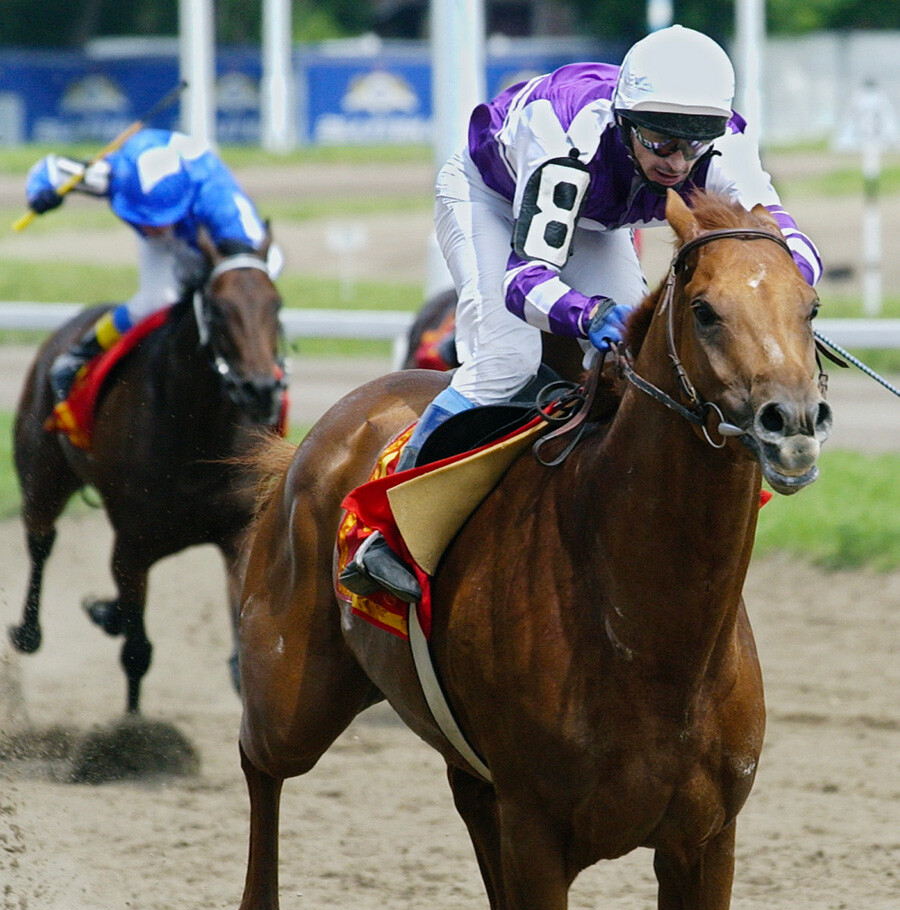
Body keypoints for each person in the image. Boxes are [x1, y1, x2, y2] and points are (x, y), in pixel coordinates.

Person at [341, 24, 822, 603]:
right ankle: (384, 529)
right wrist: (587, 314)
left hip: (598, 220)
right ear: (623, 123)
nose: (677, 162)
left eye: (692, 145)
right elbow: (523, 282)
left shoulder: (721, 143)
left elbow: (788, 243)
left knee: (634, 363)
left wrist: (776, 295)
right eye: (660, 142)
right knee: (507, 357)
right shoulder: (567, 141)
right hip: (490, 197)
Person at [25, 127, 269, 405]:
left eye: (157, 219)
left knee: (242, 301)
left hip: (216, 240)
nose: (149, 229)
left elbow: (255, 270)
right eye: (142, 219)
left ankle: (267, 370)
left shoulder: (225, 208)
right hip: (179, 233)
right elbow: (48, 170)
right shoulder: (114, 175)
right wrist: (40, 194)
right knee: (157, 300)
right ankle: (81, 353)